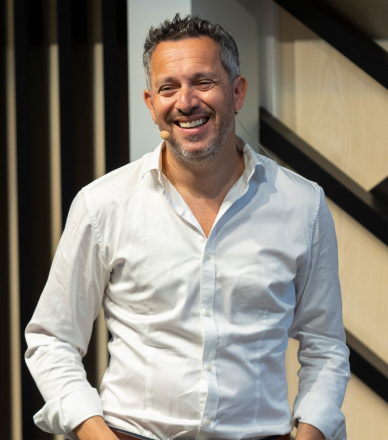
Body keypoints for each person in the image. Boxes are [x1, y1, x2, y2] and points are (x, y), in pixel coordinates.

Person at [26, 14, 350, 440]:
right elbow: (52, 340)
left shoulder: (303, 204)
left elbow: (325, 347)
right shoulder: (101, 204)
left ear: (237, 92)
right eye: (168, 88)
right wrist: (94, 433)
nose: (185, 101)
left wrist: (310, 433)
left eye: (202, 82)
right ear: (150, 103)